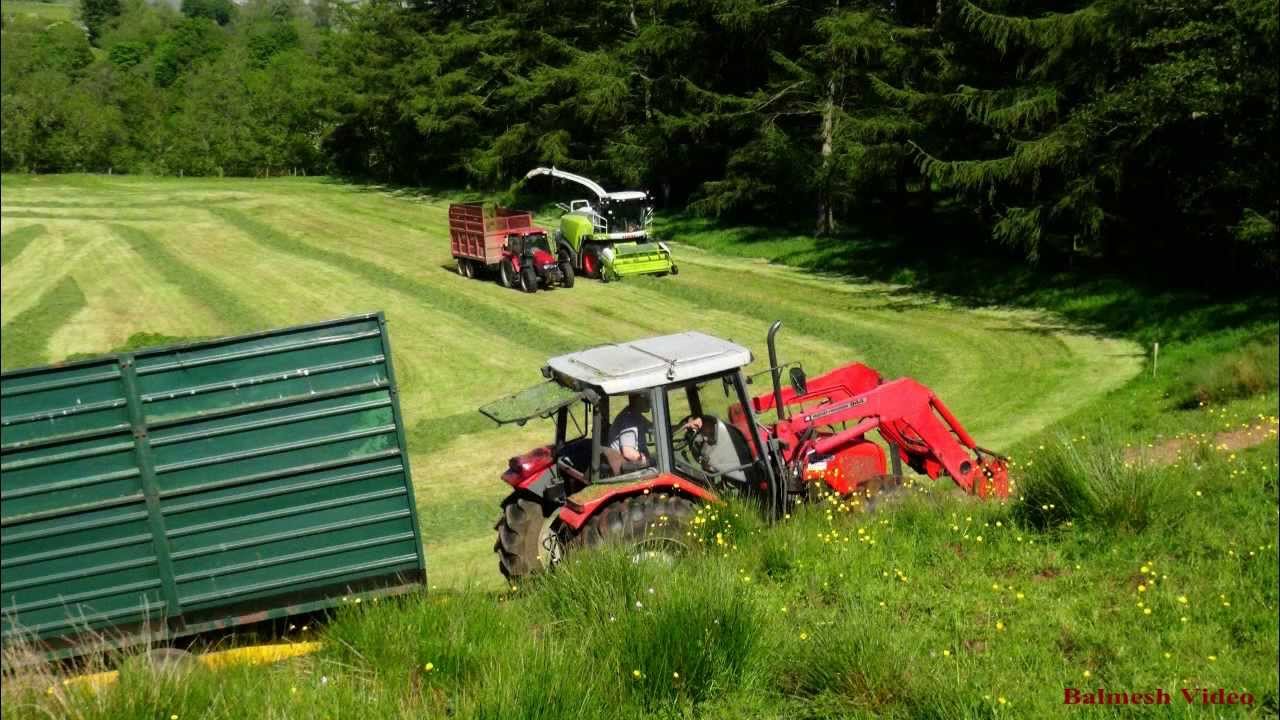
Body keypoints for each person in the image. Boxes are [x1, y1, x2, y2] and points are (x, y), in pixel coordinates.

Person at [603, 392, 653, 475]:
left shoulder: (635, 415)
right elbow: (628, 452)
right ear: (639, 399)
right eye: (648, 398)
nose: (650, 402)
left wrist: (680, 426)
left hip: (633, 466)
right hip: (627, 470)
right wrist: (650, 462)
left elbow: (654, 429)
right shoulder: (629, 418)